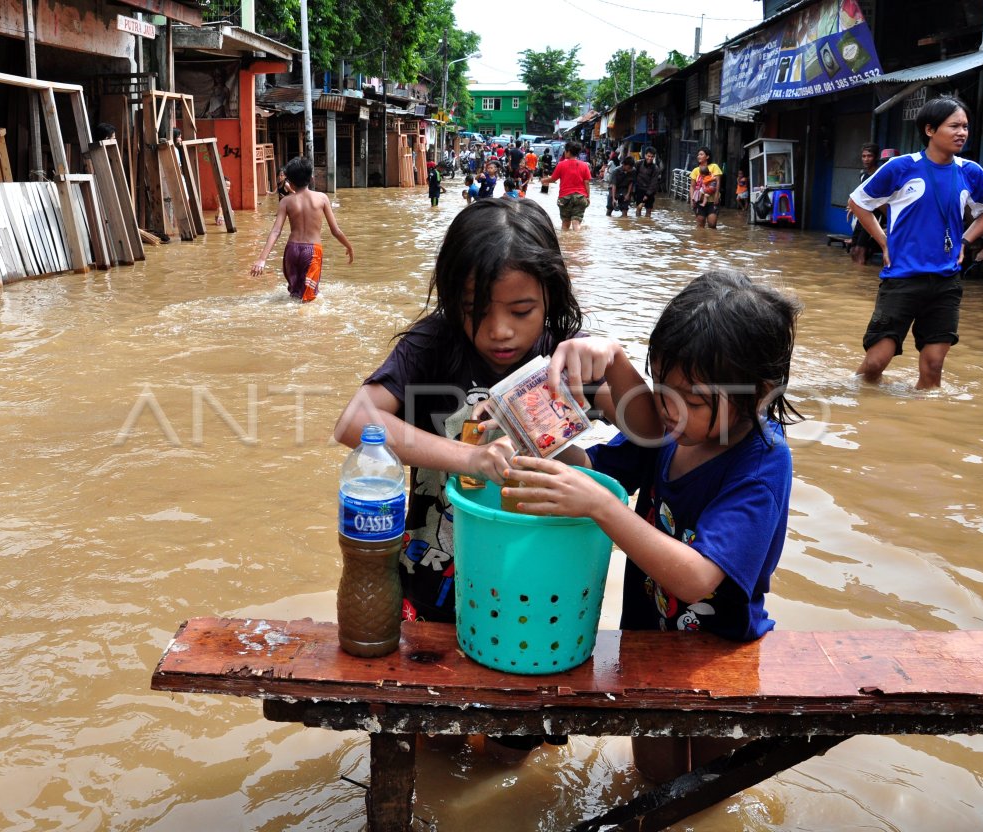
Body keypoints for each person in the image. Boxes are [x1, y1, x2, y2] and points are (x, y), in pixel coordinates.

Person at [332, 199, 644, 758]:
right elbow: (354, 423)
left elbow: (653, 432)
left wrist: (616, 357)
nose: (500, 331)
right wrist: (469, 458)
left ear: (551, 296)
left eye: (522, 311)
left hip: (531, 582)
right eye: (476, 310)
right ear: (453, 298)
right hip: (431, 573)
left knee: (515, 747)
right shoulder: (433, 345)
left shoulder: (565, 358)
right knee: (431, 727)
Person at [504, 269, 802, 784]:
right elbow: (597, 475)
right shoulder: (669, 432)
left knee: (712, 788)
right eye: (662, 387)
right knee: (653, 778)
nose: (668, 408)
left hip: (720, 657)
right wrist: (539, 434)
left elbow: (698, 577)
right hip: (647, 645)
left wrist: (601, 507)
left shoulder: (762, 463)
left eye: (694, 399)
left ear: (758, 395)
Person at [849, 95, 983, 389]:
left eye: (965, 127)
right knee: (875, 363)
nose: (962, 133)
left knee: (933, 368)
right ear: (930, 130)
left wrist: (965, 240)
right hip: (901, 278)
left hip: (946, 282)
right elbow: (858, 202)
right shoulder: (901, 167)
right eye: (954, 126)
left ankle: (921, 411)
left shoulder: (970, 171)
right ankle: (856, 400)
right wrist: (884, 242)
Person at [250, 156, 354, 302]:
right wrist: (349, 246)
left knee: (294, 295)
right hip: (312, 251)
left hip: (291, 251)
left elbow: (276, 231)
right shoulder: (322, 198)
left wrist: (262, 259)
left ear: (290, 182)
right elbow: (335, 230)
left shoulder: (286, 201)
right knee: (308, 299)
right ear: (311, 178)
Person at [541, 141, 592, 231]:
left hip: (565, 197)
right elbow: (587, 183)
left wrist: (544, 180)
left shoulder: (561, 164)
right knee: (576, 223)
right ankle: (577, 238)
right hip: (580, 197)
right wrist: (588, 197)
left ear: (568, 152)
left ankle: (565, 240)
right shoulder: (584, 165)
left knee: (565, 223)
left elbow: (553, 179)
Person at [847, 143, 882, 265]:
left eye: (869, 156)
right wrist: (852, 208)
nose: (866, 159)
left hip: (874, 216)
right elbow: (861, 196)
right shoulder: (863, 175)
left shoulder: (880, 175)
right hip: (862, 215)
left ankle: (860, 270)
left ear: (876, 157)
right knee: (853, 249)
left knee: (860, 249)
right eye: (864, 156)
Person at [688, 147, 722, 229]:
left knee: (712, 224)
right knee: (700, 225)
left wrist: (716, 195)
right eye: (698, 155)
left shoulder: (714, 167)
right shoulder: (695, 170)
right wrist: (692, 200)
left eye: (701, 154)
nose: (698, 156)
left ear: (707, 157)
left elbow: (718, 182)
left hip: (712, 201)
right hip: (699, 201)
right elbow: (692, 187)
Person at [632, 146, 663, 218]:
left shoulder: (655, 168)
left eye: (652, 157)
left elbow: (654, 183)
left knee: (648, 210)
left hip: (650, 191)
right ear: (645, 155)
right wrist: (633, 191)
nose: (650, 158)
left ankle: (647, 222)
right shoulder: (638, 164)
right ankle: (638, 222)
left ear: (654, 157)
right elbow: (633, 176)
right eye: (648, 156)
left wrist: (647, 194)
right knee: (638, 208)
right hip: (639, 189)